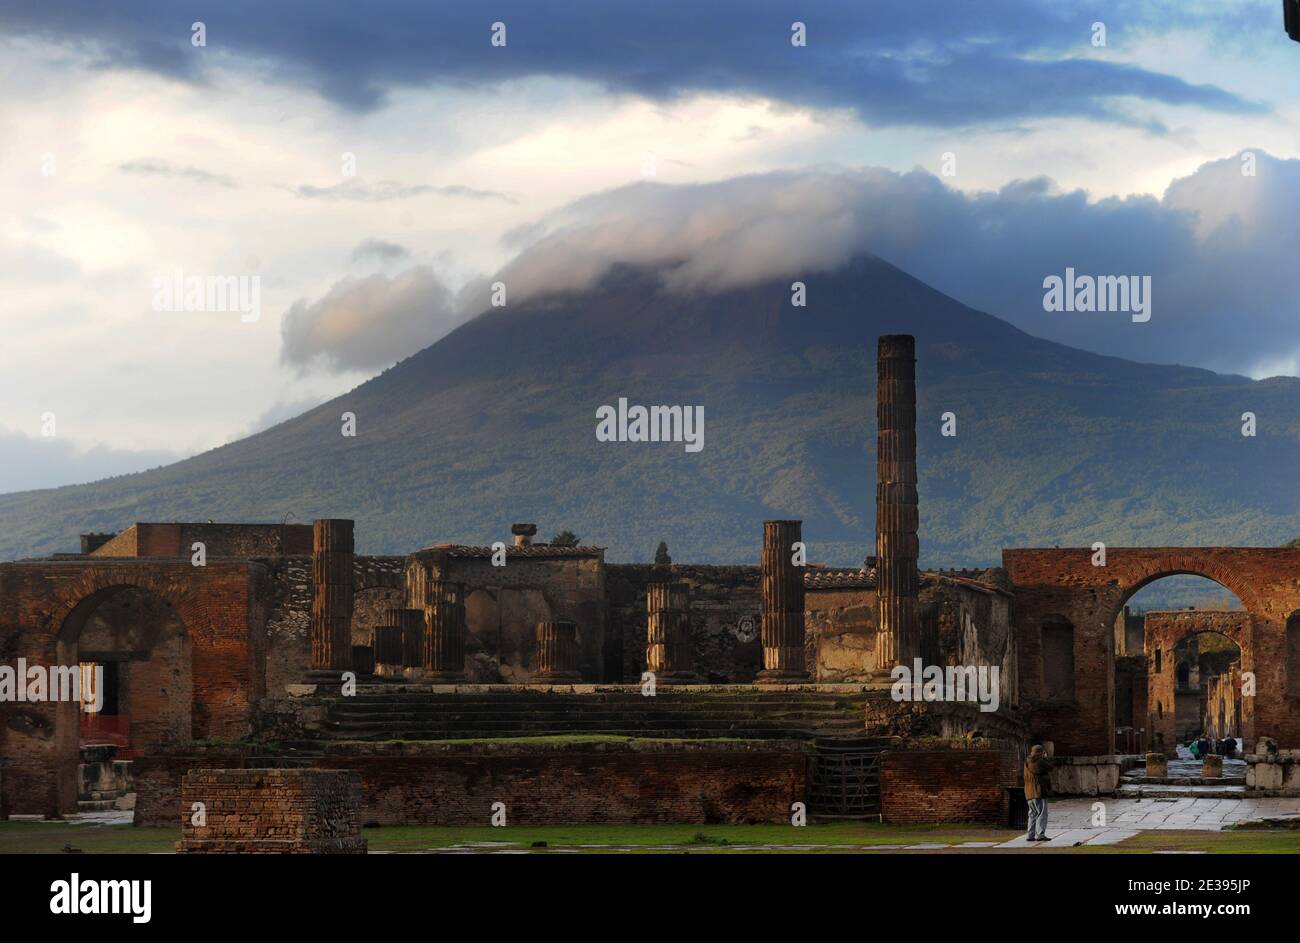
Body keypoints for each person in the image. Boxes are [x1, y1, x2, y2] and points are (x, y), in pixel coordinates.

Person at [1023, 744, 1052, 842]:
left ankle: (1030, 835)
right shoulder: (1040, 762)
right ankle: (1040, 834)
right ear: (1041, 753)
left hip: (1029, 793)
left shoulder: (1027, 762)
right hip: (1039, 792)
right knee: (1042, 813)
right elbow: (1050, 767)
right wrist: (1045, 758)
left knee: (1032, 814)